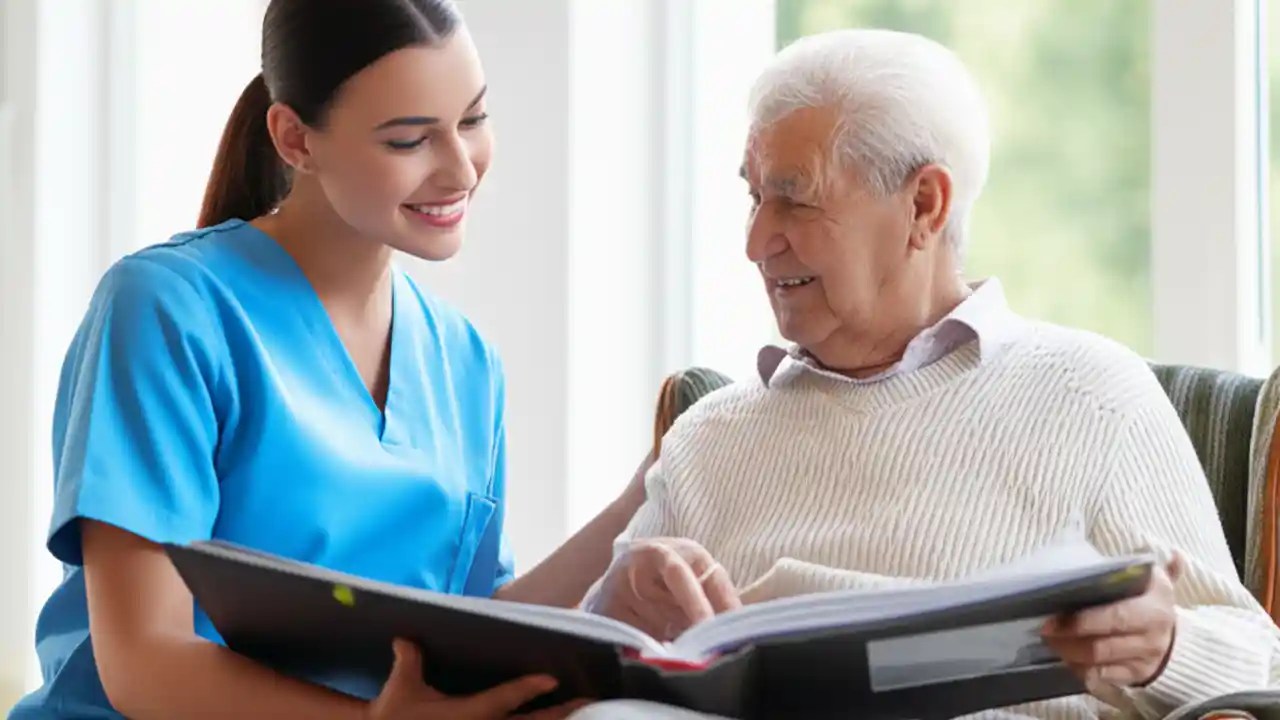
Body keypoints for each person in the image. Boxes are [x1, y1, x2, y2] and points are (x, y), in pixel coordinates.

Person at [575, 29, 1280, 720]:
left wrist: (1164, 648)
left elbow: (1259, 668)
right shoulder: (711, 436)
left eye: (795, 199)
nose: (757, 241)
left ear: (924, 206)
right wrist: (609, 615)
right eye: (754, 197)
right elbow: (582, 676)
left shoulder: (1093, 397)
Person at [9, 2, 648, 718]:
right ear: (295, 139)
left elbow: (466, 625)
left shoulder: (465, 362)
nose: (462, 168)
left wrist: (639, 504)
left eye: (472, 120)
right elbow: (143, 662)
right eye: (410, 140)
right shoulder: (166, 310)